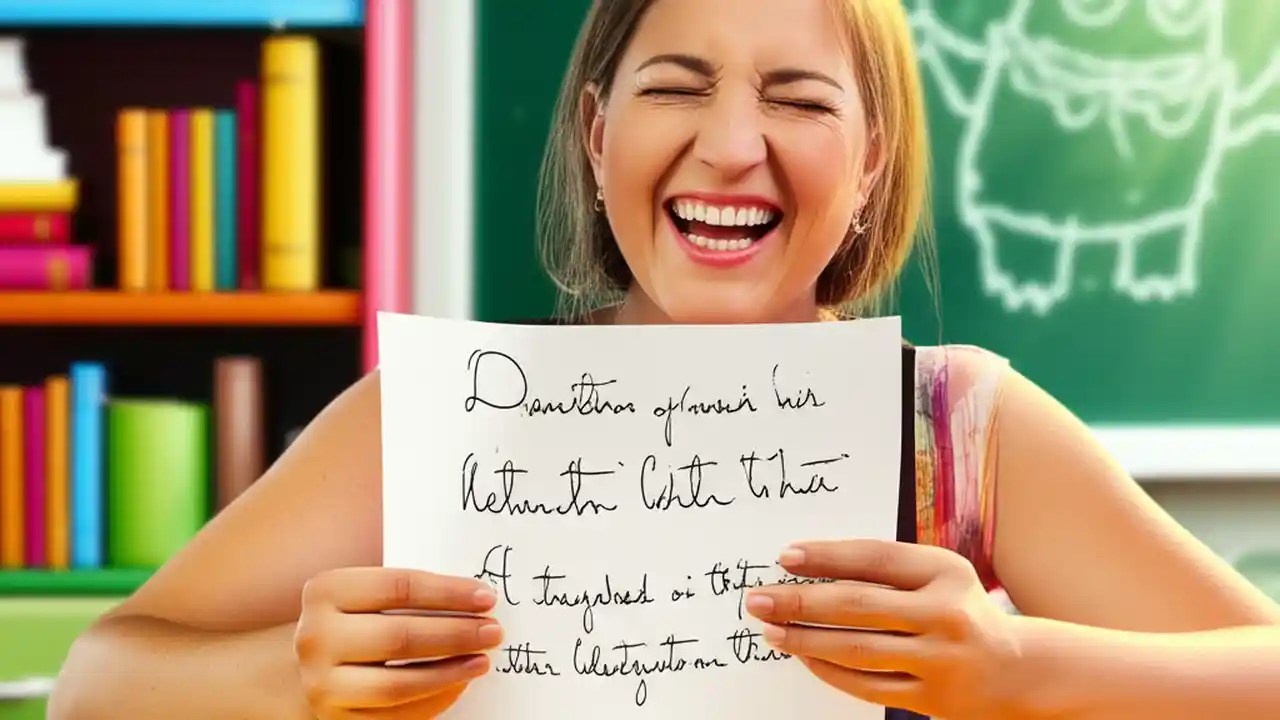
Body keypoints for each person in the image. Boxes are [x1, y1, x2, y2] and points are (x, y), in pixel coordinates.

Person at [49, 0, 1280, 718]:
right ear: (596, 138)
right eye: (674, 87)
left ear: (866, 169)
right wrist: (294, 673)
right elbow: (96, 685)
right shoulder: (435, 420)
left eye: (798, 99)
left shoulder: (955, 425)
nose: (731, 145)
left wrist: (1012, 669)